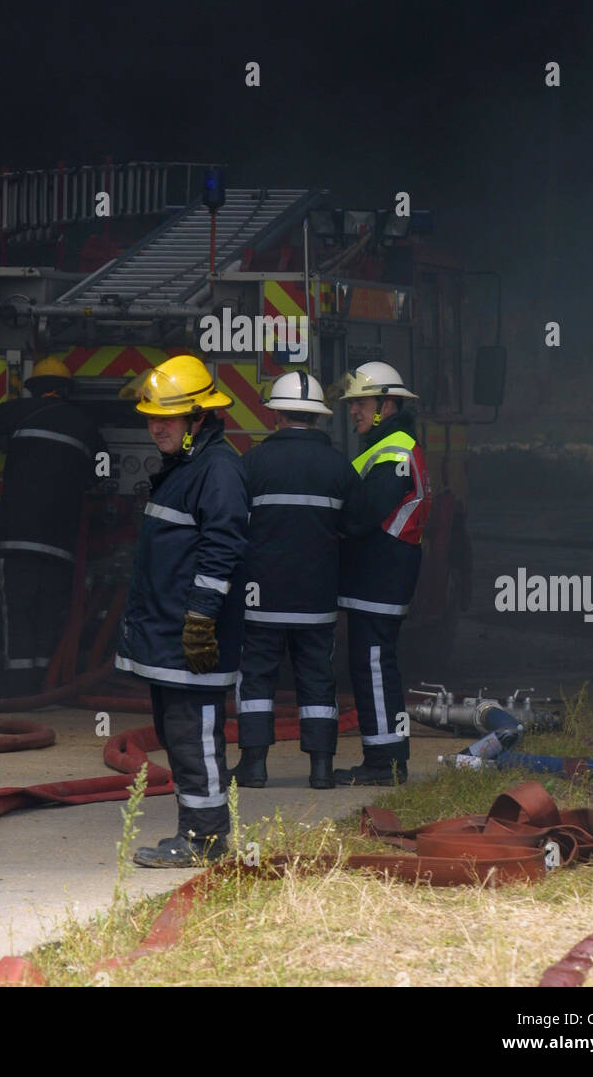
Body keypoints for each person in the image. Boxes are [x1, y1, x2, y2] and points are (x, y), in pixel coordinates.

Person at [113, 355, 249, 868]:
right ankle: (194, 835)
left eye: (166, 418)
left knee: (195, 739)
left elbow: (222, 551)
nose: (156, 427)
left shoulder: (218, 471)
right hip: (170, 637)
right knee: (180, 737)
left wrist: (200, 620)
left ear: (198, 419)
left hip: (192, 637)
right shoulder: (188, 469)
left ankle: (206, 842)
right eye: (151, 417)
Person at [231, 370, 368, 790]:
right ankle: (322, 769)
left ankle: (254, 765)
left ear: (275, 415)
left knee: (255, 675)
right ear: (319, 418)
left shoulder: (251, 463)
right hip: (316, 595)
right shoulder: (339, 466)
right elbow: (359, 524)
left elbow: (232, 524)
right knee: (317, 677)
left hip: (262, 594)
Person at [0, 357, 104, 695]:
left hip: (18, 535)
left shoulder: (18, 412)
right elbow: (103, 465)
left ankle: (18, 681)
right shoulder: (84, 425)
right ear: (67, 391)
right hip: (60, 541)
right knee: (49, 608)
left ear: (33, 387)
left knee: (18, 607)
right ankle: (44, 677)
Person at [334, 362, 432, 786]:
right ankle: (386, 757)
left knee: (373, 666)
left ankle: (384, 764)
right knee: (374, 664)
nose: (353, 411)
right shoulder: (388, 445)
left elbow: (361, 515)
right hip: (378, 579)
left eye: (360, 403)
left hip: (380, 578)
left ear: (386, 405)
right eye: (352, 403)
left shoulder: (393, 450)